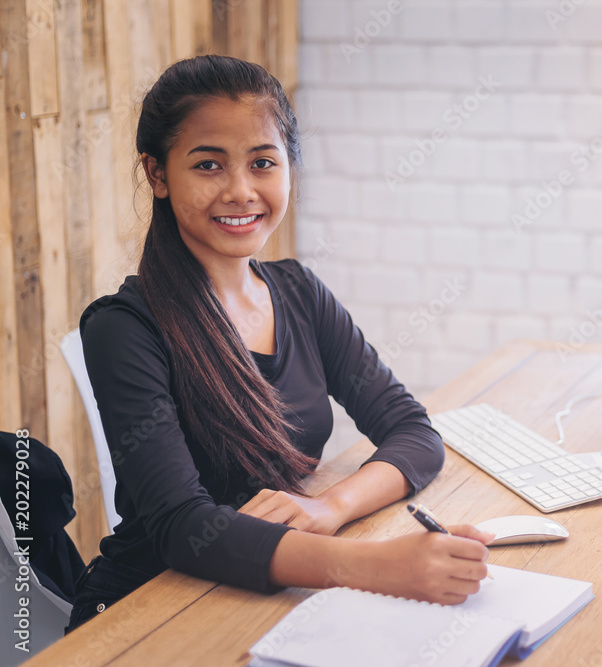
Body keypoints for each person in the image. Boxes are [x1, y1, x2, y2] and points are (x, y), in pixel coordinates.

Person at [68, 55, 492, 632]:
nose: (241, 191)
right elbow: (184, 527)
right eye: (209, 165)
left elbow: (413, 432)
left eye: (262, 162)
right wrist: (374, 566)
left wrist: (331, 506)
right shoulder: (124, 328)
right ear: (158, 175)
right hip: (153, 607)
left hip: (269, 591)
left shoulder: (299, 292)